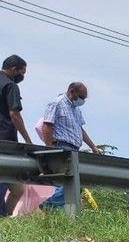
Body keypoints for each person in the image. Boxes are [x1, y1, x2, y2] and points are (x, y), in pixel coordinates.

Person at [40, 82, 101, 210]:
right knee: (68, 181)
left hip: (74, 149)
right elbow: (47, 125)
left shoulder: (76, 110)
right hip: (62, 146)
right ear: (72, 91)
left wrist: (93, 147)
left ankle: (57, 212)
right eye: (81, 97)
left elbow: (80, 130)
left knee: (76, 183)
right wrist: (49, 147)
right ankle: (49, 205)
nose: (82, 100)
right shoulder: (57, 103)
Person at [0, 54, 33, 216]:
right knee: (2, 181)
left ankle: (4, 220)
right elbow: (14, 114)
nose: (22, 77)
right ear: (14, 69)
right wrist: (27, 140)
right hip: (5, 141)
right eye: (22, 72)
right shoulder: (11, 86)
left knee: (17, 188)